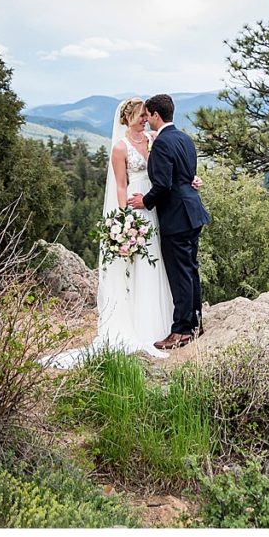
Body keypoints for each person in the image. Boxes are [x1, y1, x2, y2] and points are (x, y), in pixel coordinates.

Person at [42, 97, 200, 367]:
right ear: (127, 118)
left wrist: (189, 179)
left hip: (156, 208)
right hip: (137, 209)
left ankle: (175, 323)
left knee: (167, 265)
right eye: (139, 115)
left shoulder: (155, 139)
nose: (143, 119)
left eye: (145, 115)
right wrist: (123, 218)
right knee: (152, 263)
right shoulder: (120, 147)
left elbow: (169, 171)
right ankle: (154, 322)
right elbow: (120, 185)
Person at [128, 93, 211, 350]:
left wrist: (146, 201)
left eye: (148, 115)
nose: (147, 120)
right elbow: (187, 175)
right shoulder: (184, 138)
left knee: (180, 273)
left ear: (155, 115)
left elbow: (163, 184)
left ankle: (181, 331)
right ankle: (195, 323)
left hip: (177, 217)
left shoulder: (162, 143)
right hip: (192, 212)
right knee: (190, 269)